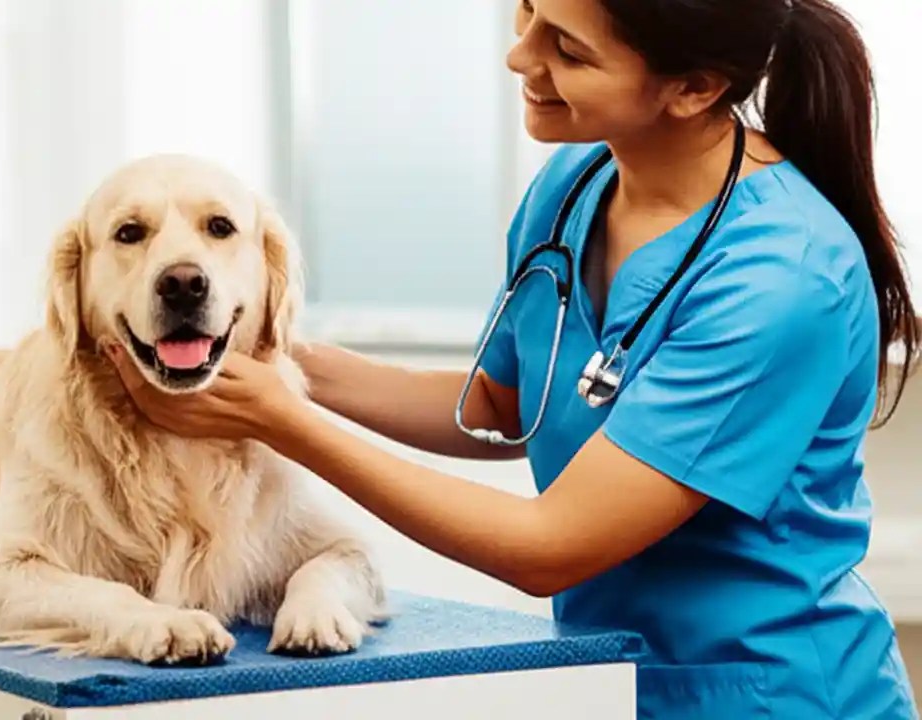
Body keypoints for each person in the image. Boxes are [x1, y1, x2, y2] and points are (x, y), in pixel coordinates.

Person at [104, 0, 920, 717]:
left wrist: (282, 421)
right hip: (608, 683)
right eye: (526, 11)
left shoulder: (782, 277)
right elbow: (499, 403)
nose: (520, 54)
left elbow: (549, 547)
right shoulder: (574, 182)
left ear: (694, 87)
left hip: (771, 695)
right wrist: (257, 358)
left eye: (568, 49)